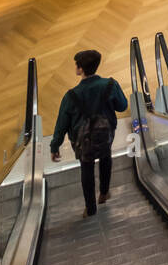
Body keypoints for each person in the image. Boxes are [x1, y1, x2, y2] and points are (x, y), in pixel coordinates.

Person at [50, 50, 129, 219]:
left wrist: (55, 146)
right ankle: (104, 193)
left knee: (86, 168)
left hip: (82, 140)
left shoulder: (71, 96)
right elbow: (122, 106)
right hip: (105, 134)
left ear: (80, 69)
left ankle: (90, 208)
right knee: (106, 157)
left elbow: (61, 124)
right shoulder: (110, 85)